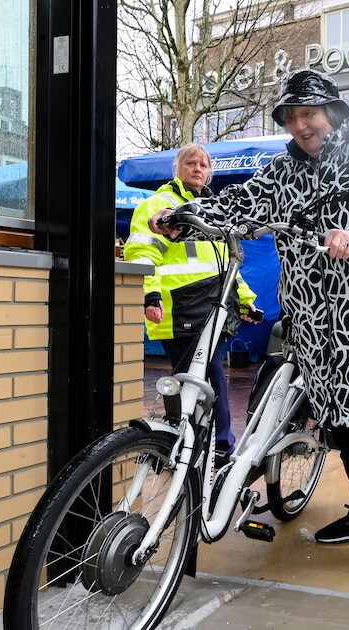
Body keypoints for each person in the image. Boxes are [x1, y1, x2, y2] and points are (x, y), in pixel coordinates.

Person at [149, 69, 349, 580]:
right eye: (291, 117)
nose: (301, 125)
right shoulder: (281, 169)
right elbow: (240, 203)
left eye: (309, 114)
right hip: (313, 318)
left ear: (331, 112)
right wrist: (185, 215)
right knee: (340, 420)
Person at [124, 143, 258, 459]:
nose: (198, 169)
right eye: (191, 163)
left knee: (202, 379)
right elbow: (142, 254)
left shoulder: (213, 209)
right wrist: (150, 295)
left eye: (203, 165)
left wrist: (245, 300)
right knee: (200, 378)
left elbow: (227, 264)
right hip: (179, 307)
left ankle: (190, 446)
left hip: (215, 306)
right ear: (177, 169)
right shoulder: (158, 205)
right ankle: (206, 446)